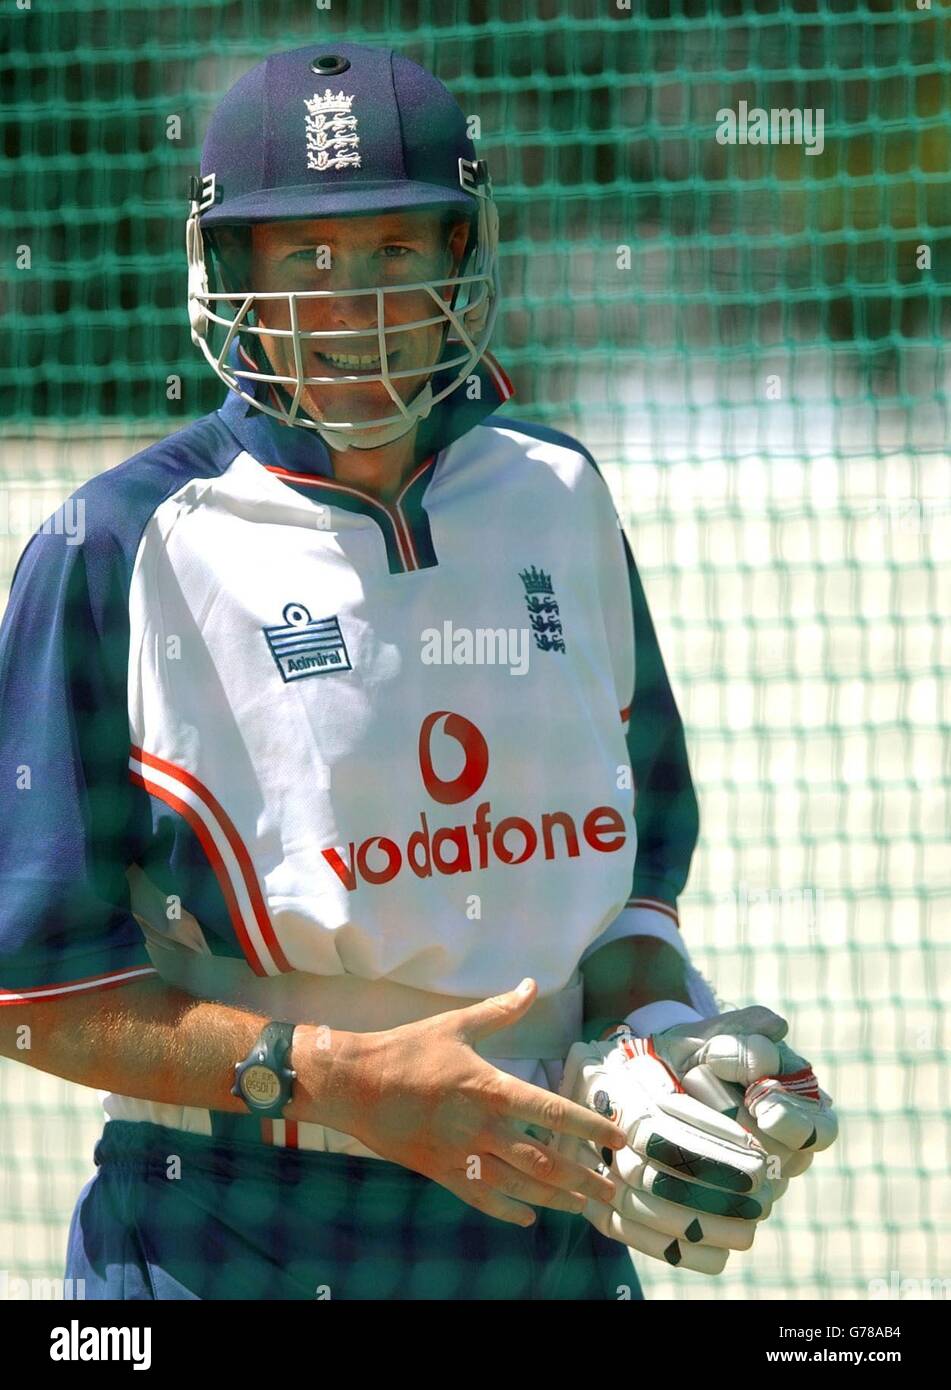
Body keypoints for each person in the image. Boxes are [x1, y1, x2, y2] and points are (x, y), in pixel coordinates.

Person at [0, 41, 836, 1300]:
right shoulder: (116, 547)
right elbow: (30, 989)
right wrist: (325, 1075)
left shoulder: (558, 491)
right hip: (231, 1237)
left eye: (396, 250)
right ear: (234, 276)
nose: (357, 307)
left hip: (549, 1233)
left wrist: (661, 1039)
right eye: (310, 258)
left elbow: (629, 882)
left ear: (461, 254)